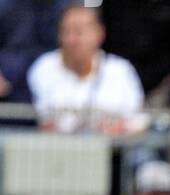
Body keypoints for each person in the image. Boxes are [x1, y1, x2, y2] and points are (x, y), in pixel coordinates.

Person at [27, 4, 144, 134]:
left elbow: (139, 120)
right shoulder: (44, 67)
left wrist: (122, 128)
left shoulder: (120, 70)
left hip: (111, 150)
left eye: (79, 32)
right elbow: (37, 118)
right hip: (56, 149)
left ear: (99, 34)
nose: (71, 40)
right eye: (65, 32)